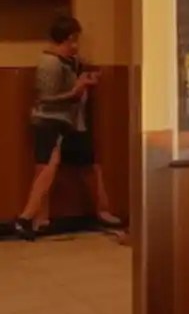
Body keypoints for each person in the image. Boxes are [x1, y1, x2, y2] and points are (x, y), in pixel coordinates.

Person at [13, 16, 122, 241]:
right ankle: (33, 218)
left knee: (88, 166)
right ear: (69, 38)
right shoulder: (50, 64)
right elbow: (46, 99)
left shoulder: (70, 61)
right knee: (46, 169)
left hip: (72, 122)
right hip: (52, 121)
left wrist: (85, 81)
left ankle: (101, 210)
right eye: (75, 40)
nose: (77, 45)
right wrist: (76, 91)